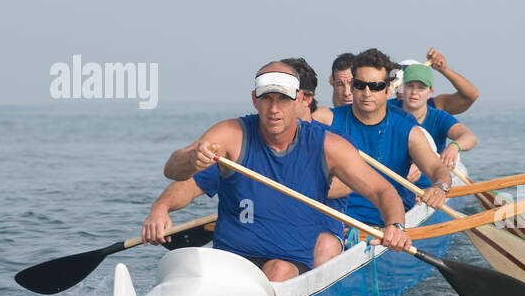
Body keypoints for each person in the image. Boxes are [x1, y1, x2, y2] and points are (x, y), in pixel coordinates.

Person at [146, 60, 413, 282]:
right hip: (231, 263)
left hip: (289, 267)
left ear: (298, 100)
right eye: (267, 99)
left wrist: (396, 225)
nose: (274, 109)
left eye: (283, 100)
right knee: (185, 265)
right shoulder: (231, 135)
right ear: (254, 100)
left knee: (278, 270)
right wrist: (161, 207)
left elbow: (381, 190)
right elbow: (176, 172)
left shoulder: (328, 145)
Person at [327, 48, 453, 225]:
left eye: (376, 86)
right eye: (360, 85)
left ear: (388, 90)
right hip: (334, 222)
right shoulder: (326, 120)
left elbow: (438, 170)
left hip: (386, 224)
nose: (367, 93)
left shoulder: (408, 131)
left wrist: (440, 188)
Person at [389, 63, 477, 171]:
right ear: (403, 88)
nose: (414, 92)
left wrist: (454, 146)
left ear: (430, 93)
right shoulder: (387, 108)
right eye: (410, 86)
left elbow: (470, 137)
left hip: (431, 179)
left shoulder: (438, 117)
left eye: (421, 88)